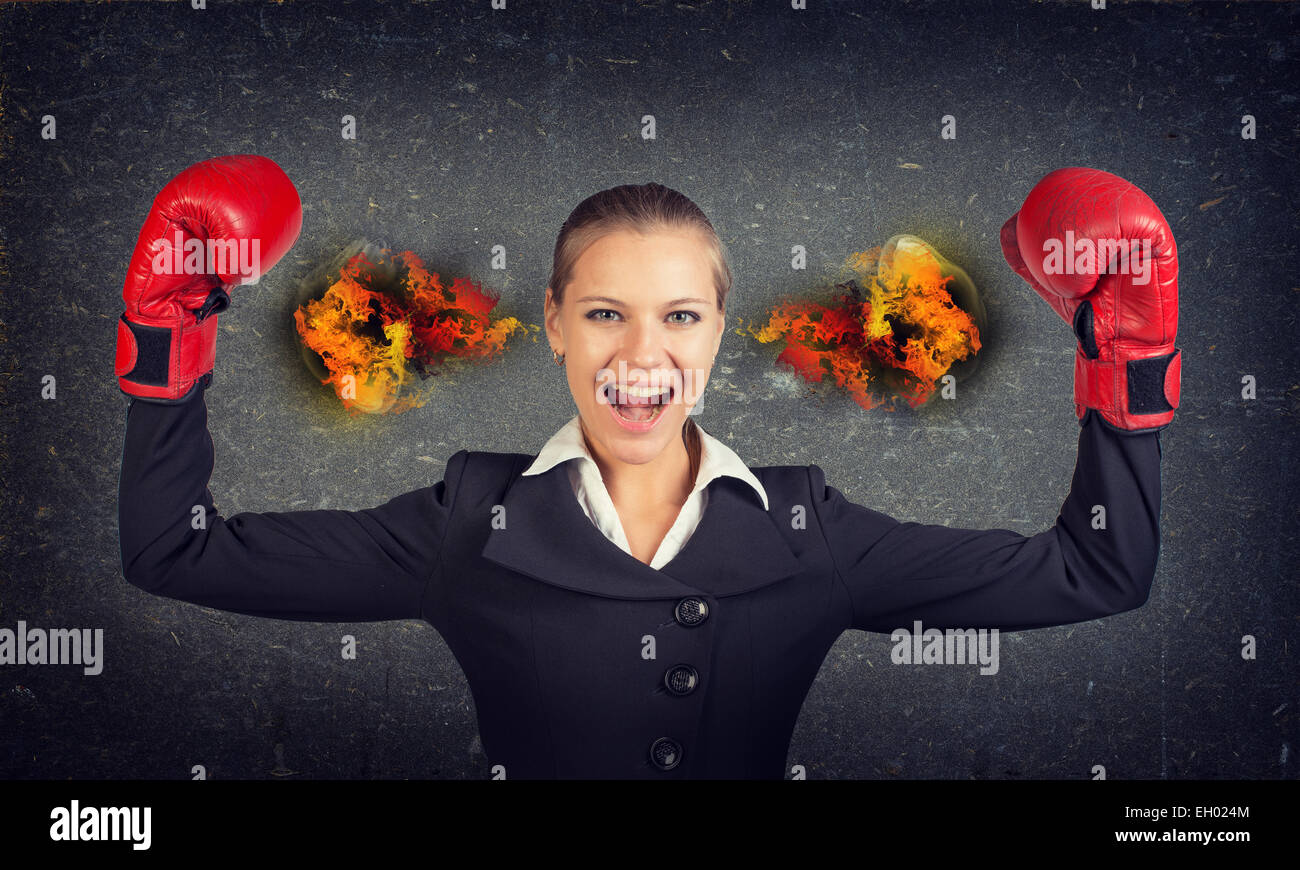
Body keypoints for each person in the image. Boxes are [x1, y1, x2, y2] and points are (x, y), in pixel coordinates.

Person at [117, 156, 1180, 779]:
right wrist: (172, 334)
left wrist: (1122, 362)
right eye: (603, 316)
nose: (639, 357)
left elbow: (1097, 574)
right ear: (555, 327)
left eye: (678, 316)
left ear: (717, 332)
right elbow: (176, 551)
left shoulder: (811, 532)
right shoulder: (466, 522)